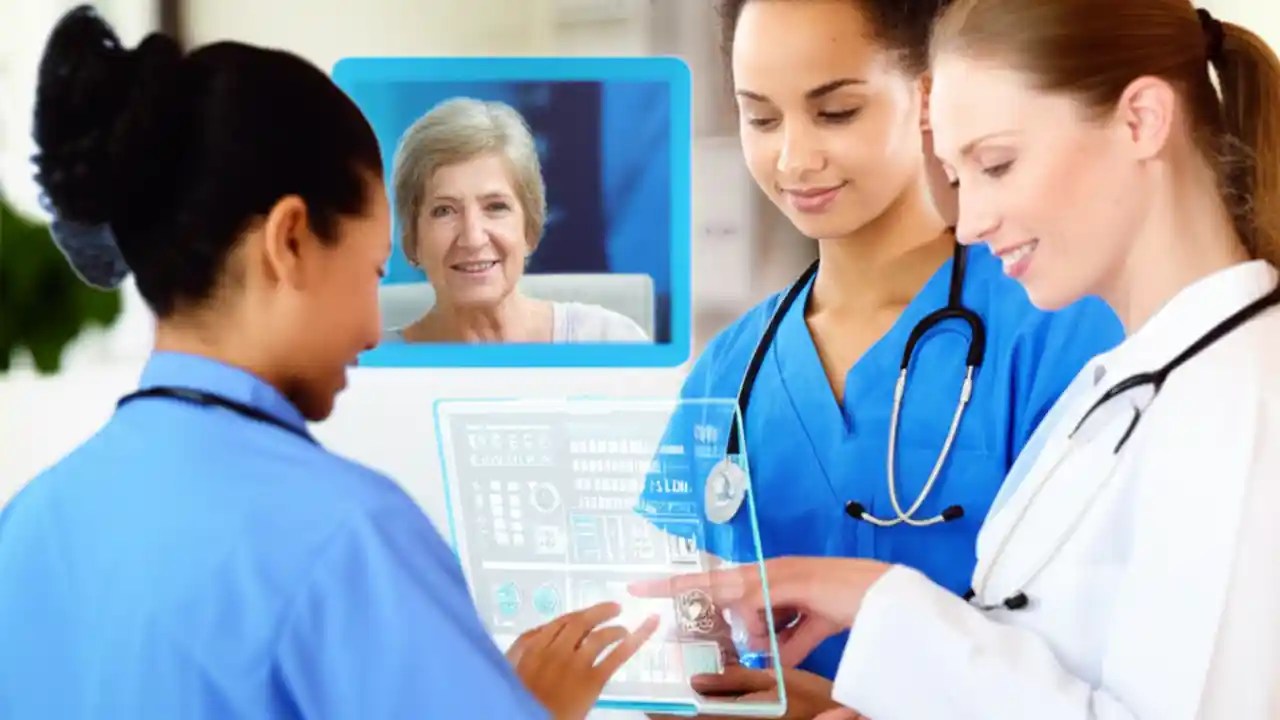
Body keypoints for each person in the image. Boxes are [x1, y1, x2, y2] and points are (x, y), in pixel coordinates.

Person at [0, 7, 656, 719]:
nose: (376, 330)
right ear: (289, 240)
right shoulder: (350, 539)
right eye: (373, 272)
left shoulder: (27, 526)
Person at [635, 1, 1280, 718]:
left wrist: (873, 656)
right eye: (759, 118)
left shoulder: (1209, 389)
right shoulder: (1127, 388)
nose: (969, 218)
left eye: (996, 164)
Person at [382, 97, 650, 344]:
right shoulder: (361, 369)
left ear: (529, 228)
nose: (473, 238)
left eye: (495, 207)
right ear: (412, 239)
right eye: (444, 211)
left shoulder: (610, 340)